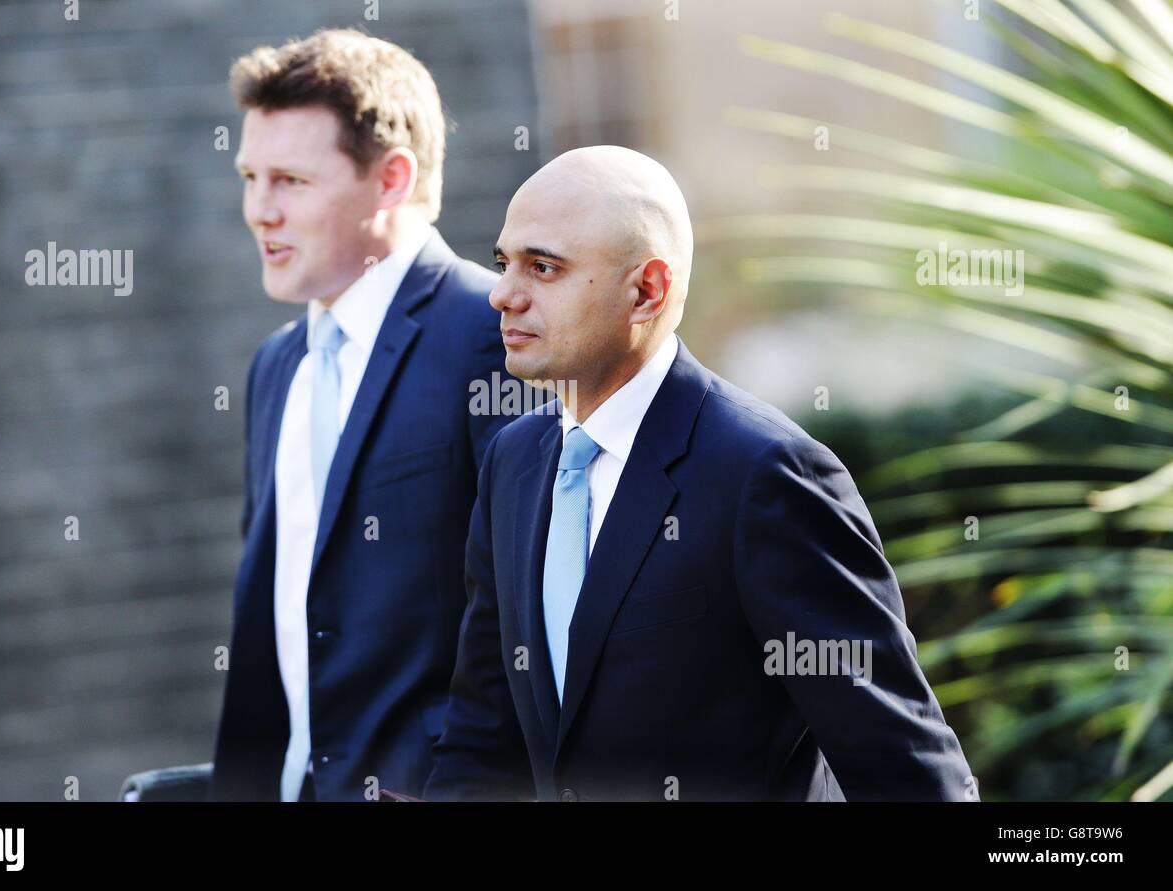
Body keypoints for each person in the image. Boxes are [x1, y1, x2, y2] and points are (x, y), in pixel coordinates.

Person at [423, 146, 974, 801]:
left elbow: (905, 771)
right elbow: (485, 737)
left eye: (544, 267)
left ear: (647, 290)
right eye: (503, 262)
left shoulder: (766, 476)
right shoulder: (514, 461)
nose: (503, 294)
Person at [210, 29, 512, 802]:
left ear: (391, 179)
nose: (258, 210)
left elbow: (540, 612)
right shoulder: (278, 363)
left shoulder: (498, 332)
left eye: (289, 180)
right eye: (249, 176)